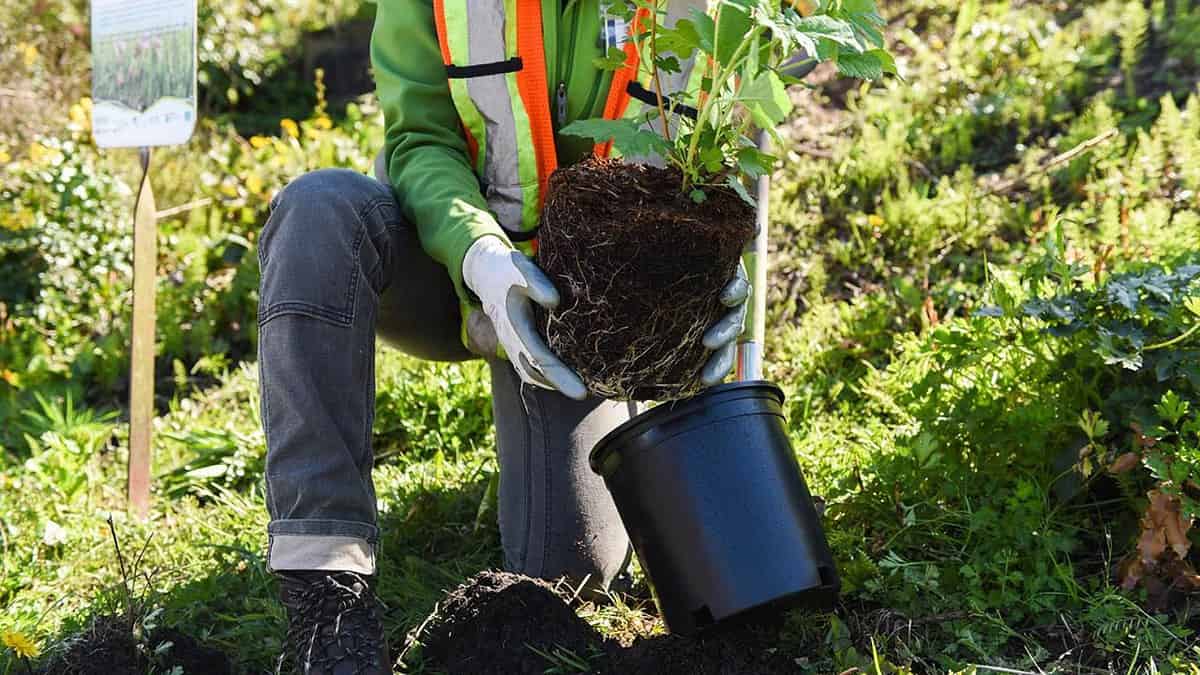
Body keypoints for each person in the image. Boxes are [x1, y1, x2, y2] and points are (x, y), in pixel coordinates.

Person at [258, 0, 746, 672]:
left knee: (568, 575)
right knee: (317, 214)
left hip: (587, 325)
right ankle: (327, 589)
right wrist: (481, 258)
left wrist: (717, 265)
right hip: (451, 265)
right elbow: (417, 140)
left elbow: (725, 137)